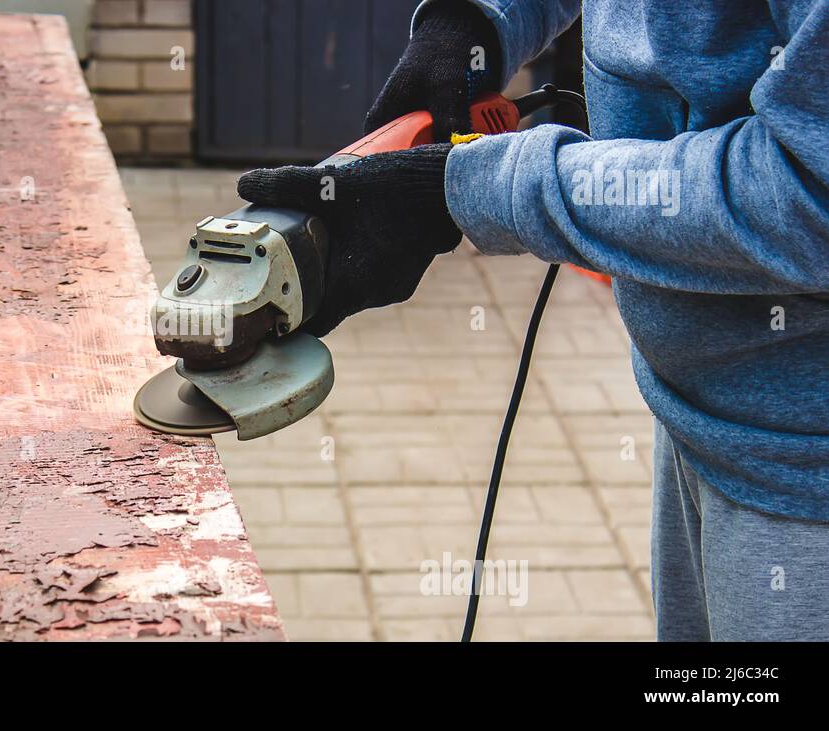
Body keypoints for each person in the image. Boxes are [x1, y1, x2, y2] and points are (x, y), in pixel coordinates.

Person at [237, 0, 829, 641]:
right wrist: (472, 24)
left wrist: (485, 188)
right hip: (695, 414)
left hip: (804, 483)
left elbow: (809, 195)